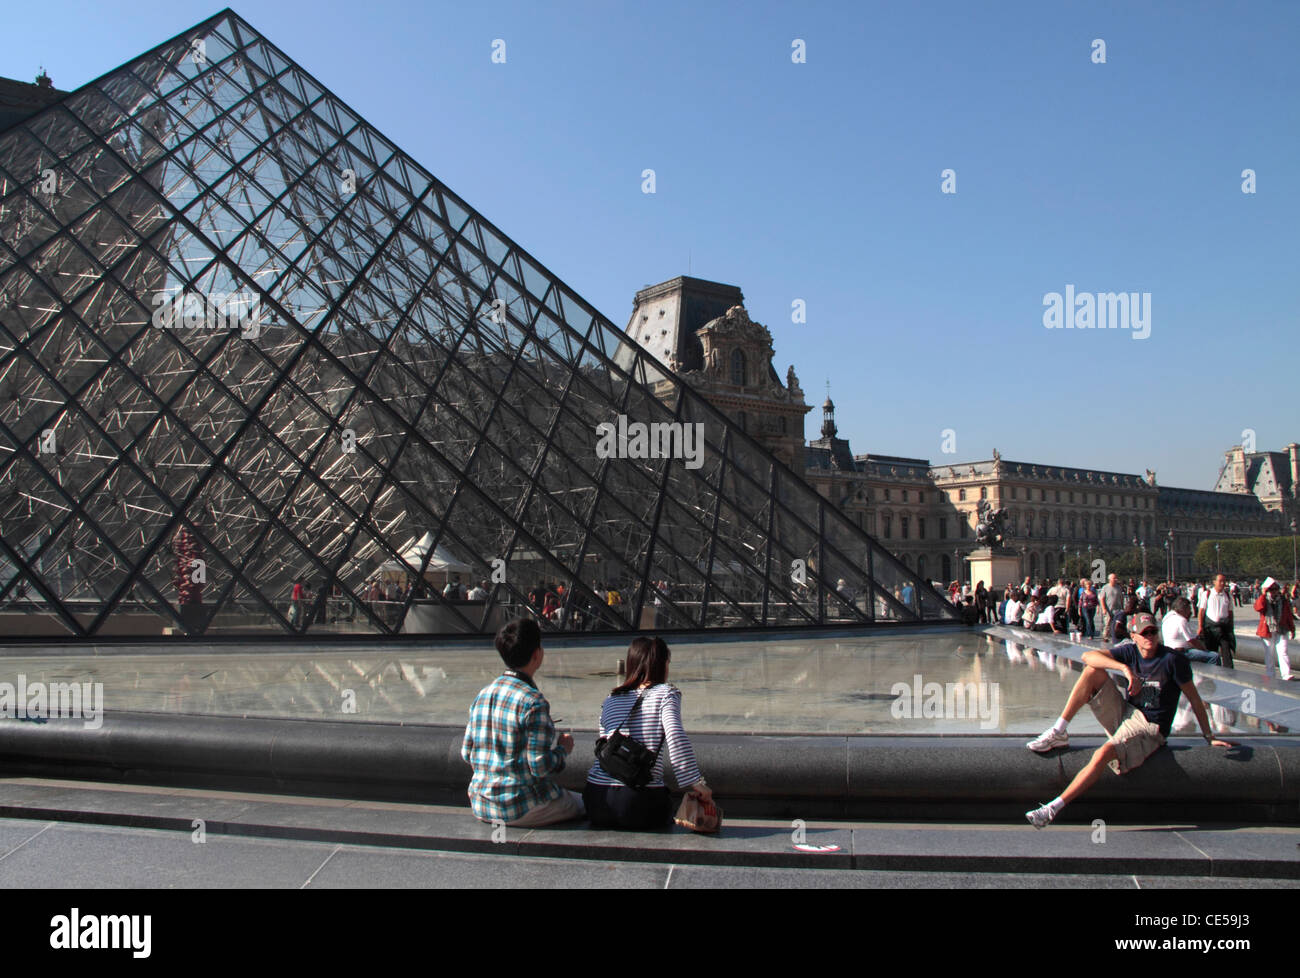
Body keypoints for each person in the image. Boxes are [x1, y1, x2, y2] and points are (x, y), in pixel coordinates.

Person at [1023, 613, 1233, 827]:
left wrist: (1209, 737)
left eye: (1153, 632)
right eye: (1144, 633)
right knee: (1092, 671)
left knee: (1102, 753)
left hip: (1149, 727)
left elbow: (1195, 700)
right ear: (1134, 636)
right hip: (1127, 712)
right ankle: (1059, 730)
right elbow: (1088, 656)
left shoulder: (1173, 660)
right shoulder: (1129, 652)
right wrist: (1124, 668)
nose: (1149, 637)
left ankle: (1052, 809)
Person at [461, 618, 584, 827]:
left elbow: (466, 753)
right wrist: (563, 749)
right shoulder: (533, 702)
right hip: (520, 807)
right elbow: (539, 767)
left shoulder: (483, 694)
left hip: (481, 804)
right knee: (589, 804)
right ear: (537, 654)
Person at [583, 636, 710, 830]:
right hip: (639, 802)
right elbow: (676, 736)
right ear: (662, 665)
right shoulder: (666, 693)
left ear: (631, 664)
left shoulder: (611, 698)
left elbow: (604, 746)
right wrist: (696, 782)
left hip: (596, 800)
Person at [1253, 578, 1295, 681]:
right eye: (1271, 589)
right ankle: (1270, 674)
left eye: (1276, 589)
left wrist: (1292, 629)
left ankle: (1286, 674)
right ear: (1267, 590)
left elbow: (1288, 615)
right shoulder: (1264, 599)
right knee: (1269, 653)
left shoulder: (1283, 600)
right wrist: (1263, 594)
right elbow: (1258, 607)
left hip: (1282, 629)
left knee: (1283, 651)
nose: (1274, 591)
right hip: (1268, 630)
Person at [1198, 573, 1236, 668]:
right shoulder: (1207, 594)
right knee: (1212, 653)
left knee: (1227, 653)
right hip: (1210, 629)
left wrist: (1231, 627)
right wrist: (1200, 626)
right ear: (1214, 582)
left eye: (1224, 581)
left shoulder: (1227, 595)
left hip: (1224, 629)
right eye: (1220, 581)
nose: (1222, 583)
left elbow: (1230, 612)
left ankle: (1229, 676)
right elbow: (1201, 612)